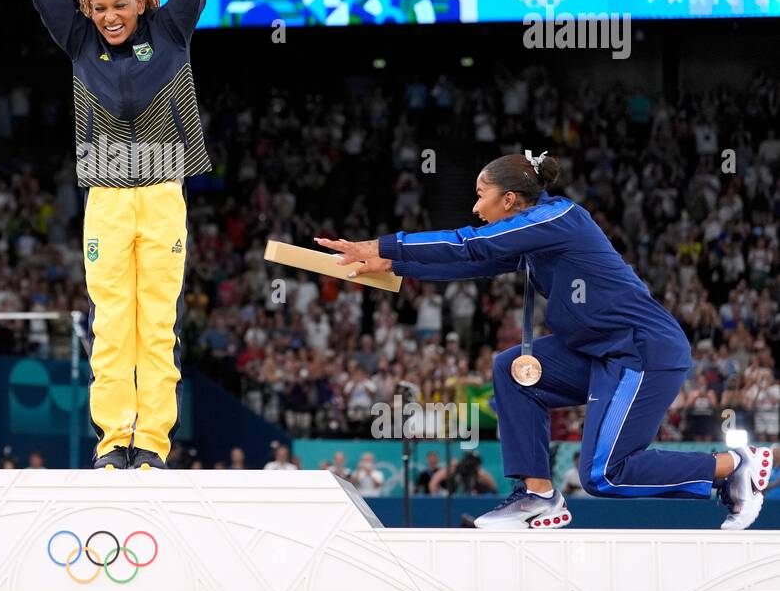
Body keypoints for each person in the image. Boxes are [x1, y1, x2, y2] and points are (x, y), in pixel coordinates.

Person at [316, 151, 772, 530]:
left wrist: (382, 247)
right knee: (510, 371)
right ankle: (538, 496)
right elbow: (475, 263)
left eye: (481, 196)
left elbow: (471, 244)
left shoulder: (560, 218)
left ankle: (733, 468)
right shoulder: (533, 235)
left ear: (509, 198)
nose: (476, 207)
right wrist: (395, 266)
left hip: (641, 350)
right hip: (598, 353)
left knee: (603, 474)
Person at [0, 0, 249, 470]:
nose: (109, 17)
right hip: (106, 201)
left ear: (142, 0)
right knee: (109, 326)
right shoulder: (77, 40)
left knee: (157, 326)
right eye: (99, 7)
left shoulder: (172, 29)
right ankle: (111, 442)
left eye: (120, 5)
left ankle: (150, 444)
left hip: (162, 197)